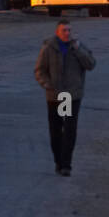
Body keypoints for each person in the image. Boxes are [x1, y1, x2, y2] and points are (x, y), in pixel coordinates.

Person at [34, 21, 96, 176]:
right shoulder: (49, 47)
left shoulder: (77, 47)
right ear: (57, 32)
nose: (67, 33)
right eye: (64, 30)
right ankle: (58, 161)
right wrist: (47, 84)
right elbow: (39, 70)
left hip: (69, 95)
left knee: (69, 129)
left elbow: (91, 64)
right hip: (55, 95)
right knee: (56, 130)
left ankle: (66, 164)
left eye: (69, 30)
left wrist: (78, 49)